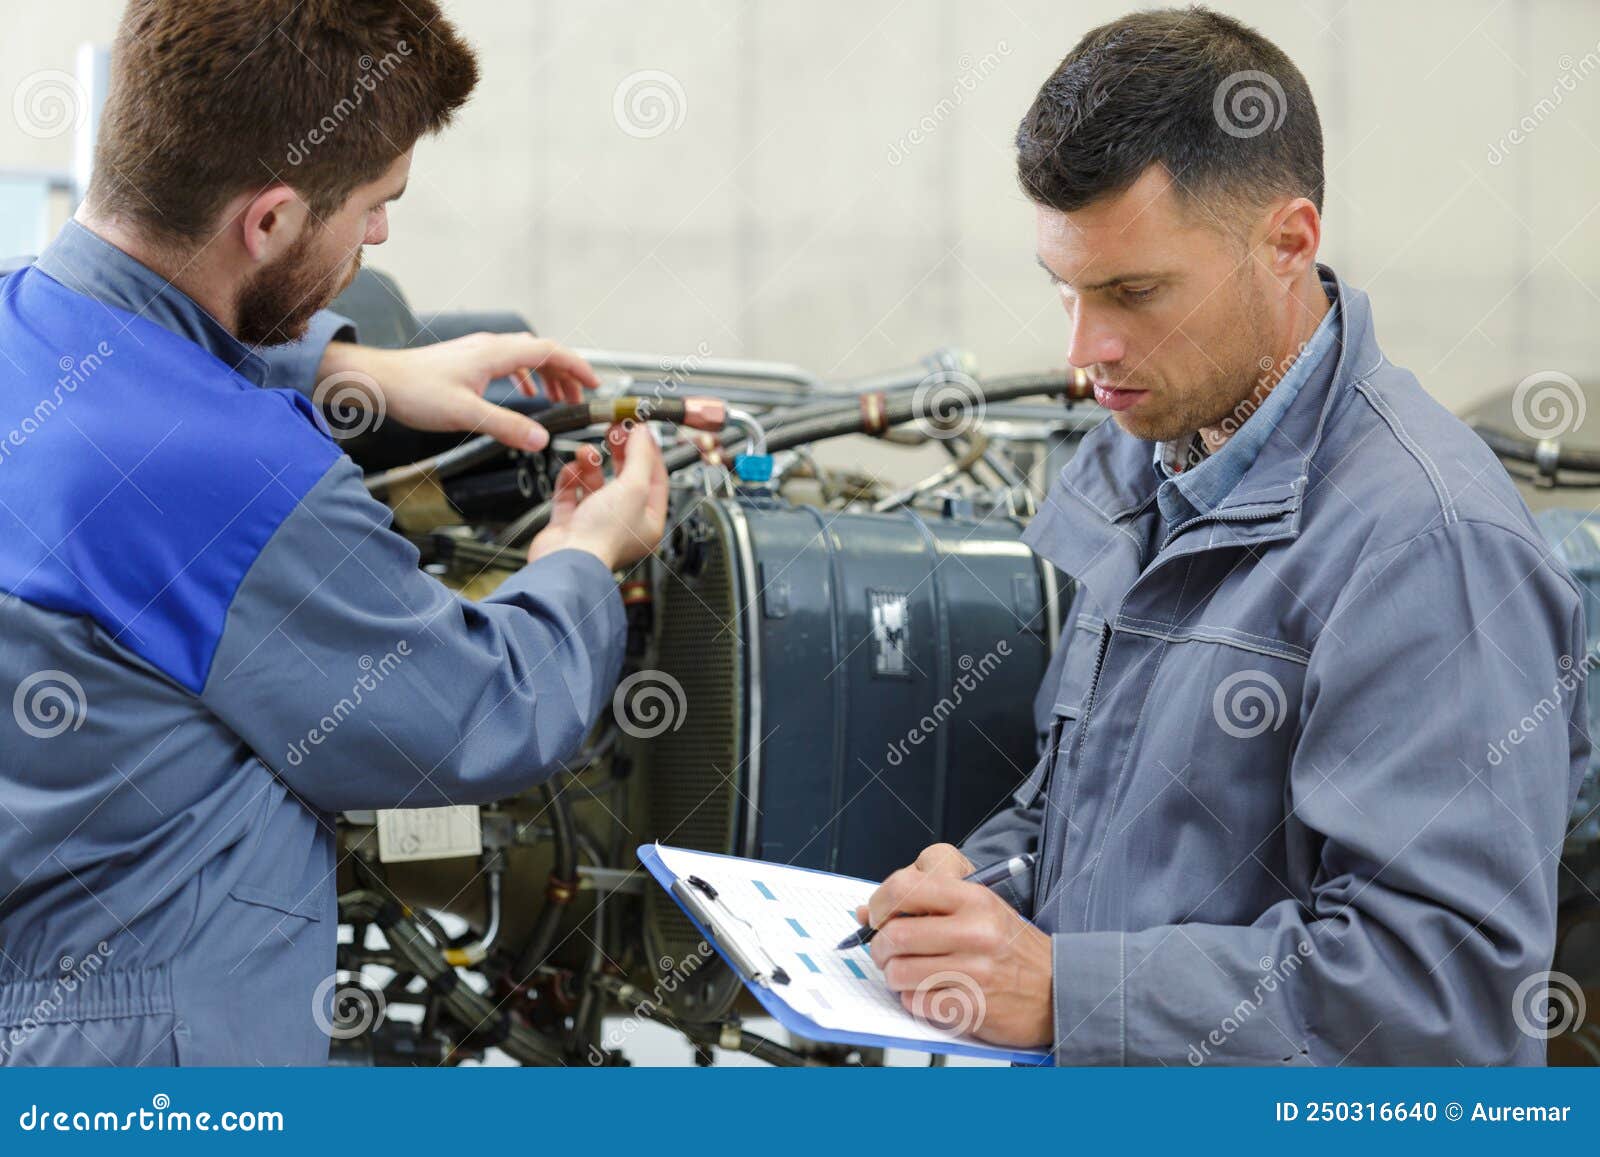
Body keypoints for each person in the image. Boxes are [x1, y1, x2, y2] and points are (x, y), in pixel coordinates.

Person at [863, 7, 1588, 1065]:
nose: (1084, 349)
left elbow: (1442, 1004)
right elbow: (1089, 805)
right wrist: (982, 892)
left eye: (1132, 292)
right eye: (1063, 289)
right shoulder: (1138, 454)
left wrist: (1070, 992)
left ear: (1287, 243)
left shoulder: (1429, 546)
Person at [0, 0, 666, 1065]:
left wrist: (344, 366)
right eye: (373, 204)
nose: (382, 236)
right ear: (266, 223)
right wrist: (584, 556)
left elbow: (132, 351)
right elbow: (475, 712)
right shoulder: (231, 475)